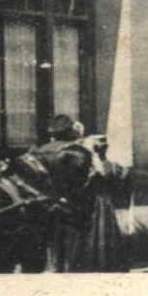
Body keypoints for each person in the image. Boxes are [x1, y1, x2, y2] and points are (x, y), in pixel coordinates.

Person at [32, 115, 95, 273]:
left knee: (51, 243)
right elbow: (83, 181)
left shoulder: (39, 152)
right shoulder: (78, 152)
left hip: (45, 204)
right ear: (70, 132)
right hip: (73, 205)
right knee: (73, 246)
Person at [74, 134, 130, 272]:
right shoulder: (105, 165)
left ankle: (101, 262)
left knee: (100, 231)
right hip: (100, 201)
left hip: (99, 201)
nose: (103, 150)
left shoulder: (103, 165)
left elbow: (107, 178)